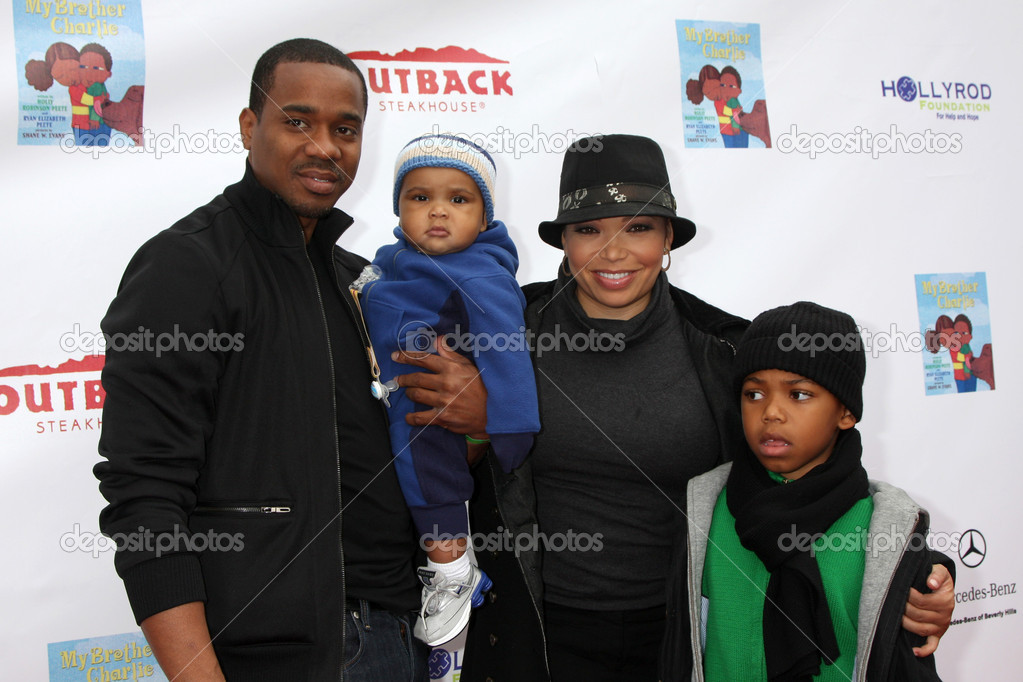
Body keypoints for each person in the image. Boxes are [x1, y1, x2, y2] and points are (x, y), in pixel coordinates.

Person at [456, 134, 955, 682]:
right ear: (564, 241)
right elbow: (430, 469)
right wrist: (480, 427)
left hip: (685, 633)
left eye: (639, 227)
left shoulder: (727, 349)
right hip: (534, 632)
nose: (613, 252)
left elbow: (809, 477)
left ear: (668, 237)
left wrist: (915, 569)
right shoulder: (500, 337)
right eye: (589, 229)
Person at [94, 39, 486, 681]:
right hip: (264, 656)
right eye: (297, 121)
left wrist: (477, 418)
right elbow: (144, 497)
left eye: (345, 129)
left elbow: (427, 458)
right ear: (251, 127)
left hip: (398, 638)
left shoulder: (366, 283)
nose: (325, 147)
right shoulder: (186, 267)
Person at [688, 302, 944, 681]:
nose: (771, 412)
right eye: (753, 394)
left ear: (846, 412)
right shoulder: (704, 508)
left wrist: (934, 579)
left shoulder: (884, 528)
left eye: (800, 395)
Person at [353, 133, 539, 646]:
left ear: (483, 217)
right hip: (395, 390)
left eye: (458, 199)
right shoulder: (393, 258)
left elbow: (507, 355)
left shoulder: (481, 274)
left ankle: (454, 569)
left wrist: (510, 428)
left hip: (434, 404)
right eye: (420, 198)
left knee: (427, 470)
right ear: (398, 209)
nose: (438, 212)